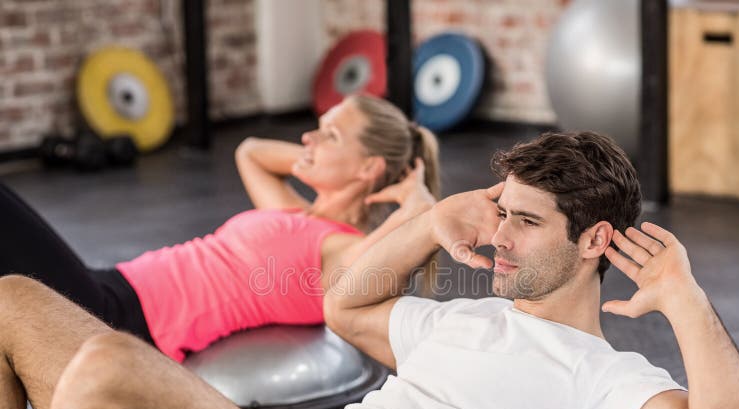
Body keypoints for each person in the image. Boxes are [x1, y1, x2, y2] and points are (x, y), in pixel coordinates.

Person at [0, 132, 739, 409]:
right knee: (10, 299)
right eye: (503, 214)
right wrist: (432, 221)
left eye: (526, 224)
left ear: (596, 242)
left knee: (106, 366)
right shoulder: (470, 322)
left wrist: (682, 295)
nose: (501, 238)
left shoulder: (605, 384)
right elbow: (347, 307)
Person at [0, 95, 439, 362]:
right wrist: (322, 161)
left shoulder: (344, 251)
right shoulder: (295, 213)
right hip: (114, 283)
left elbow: (410, 237)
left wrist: (415, 198)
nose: (308, 139)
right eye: (317, 130)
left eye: (330, 137)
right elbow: (251, 152)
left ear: (369, 167)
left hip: (121, 321)